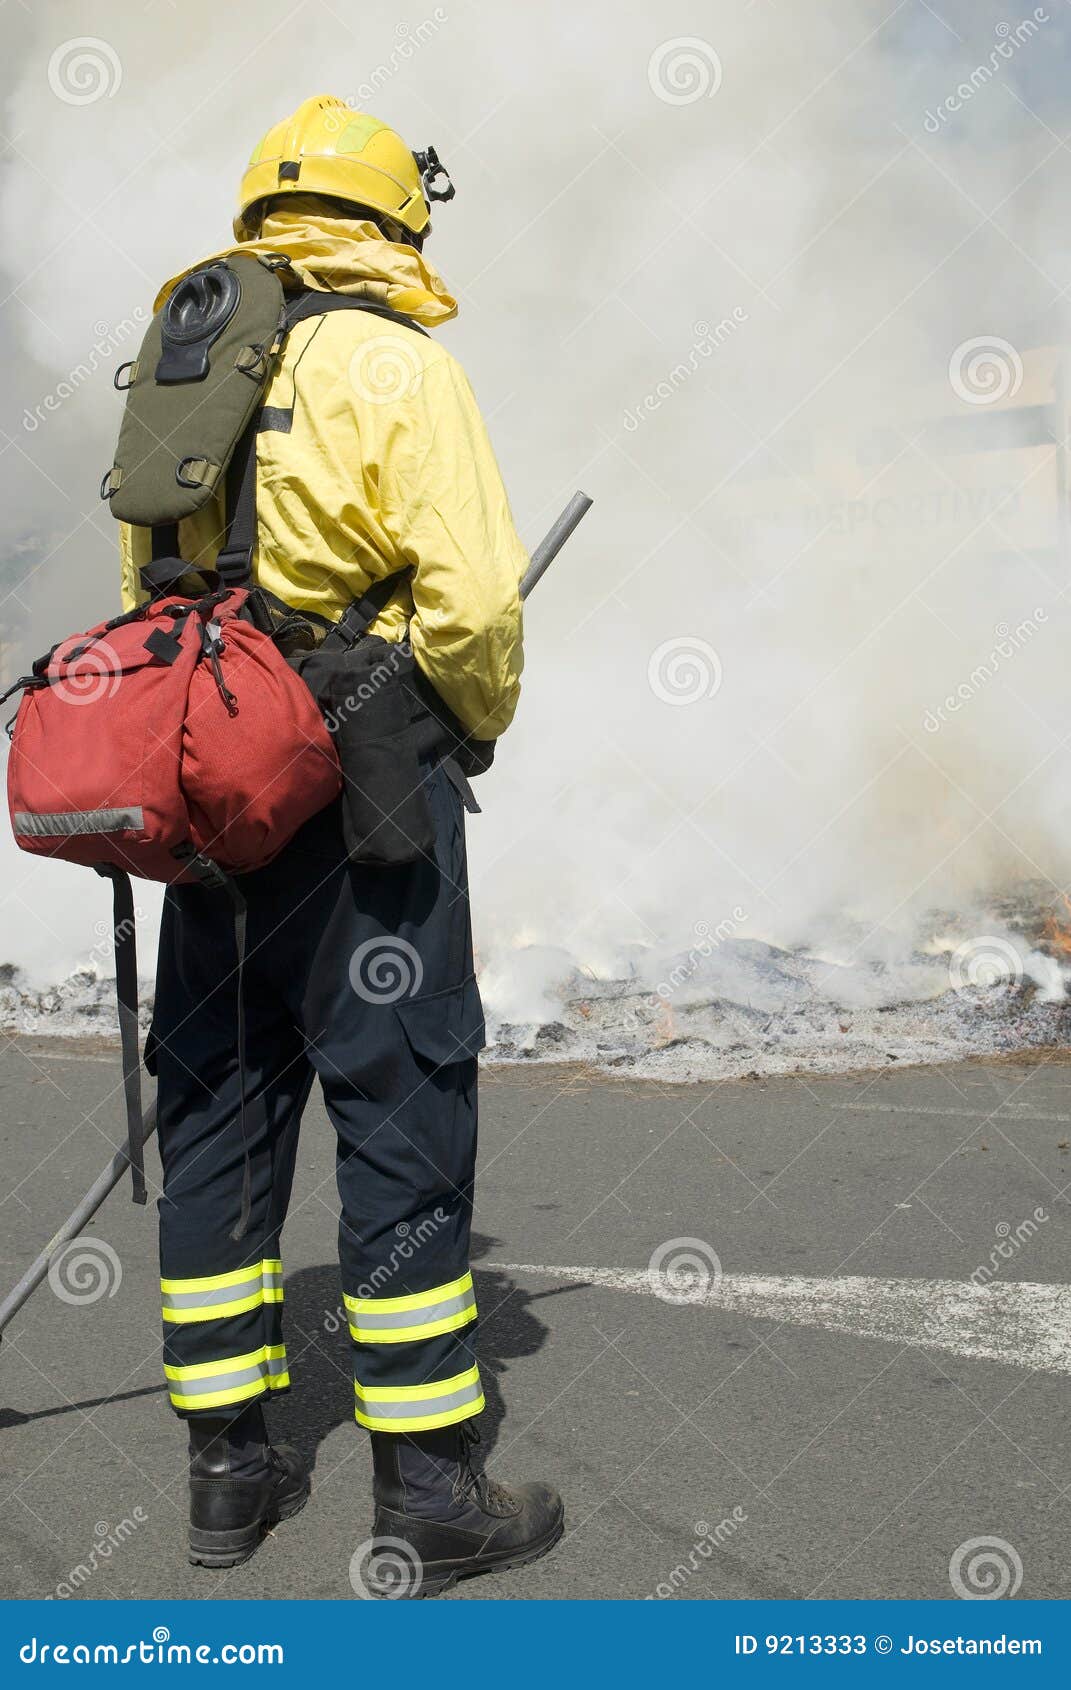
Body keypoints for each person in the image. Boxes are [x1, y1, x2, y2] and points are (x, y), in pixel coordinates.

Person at [118, 94, 563, 1596]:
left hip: (205, 786)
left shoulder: (185, 353)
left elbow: (153, 571)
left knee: (222, 1107)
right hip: (366, 794)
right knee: (399, 1104)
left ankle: (226, 1479)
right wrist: (465, 722)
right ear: (393, 221)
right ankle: (431, 1487)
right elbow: (476, 604)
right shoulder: (397, 362)